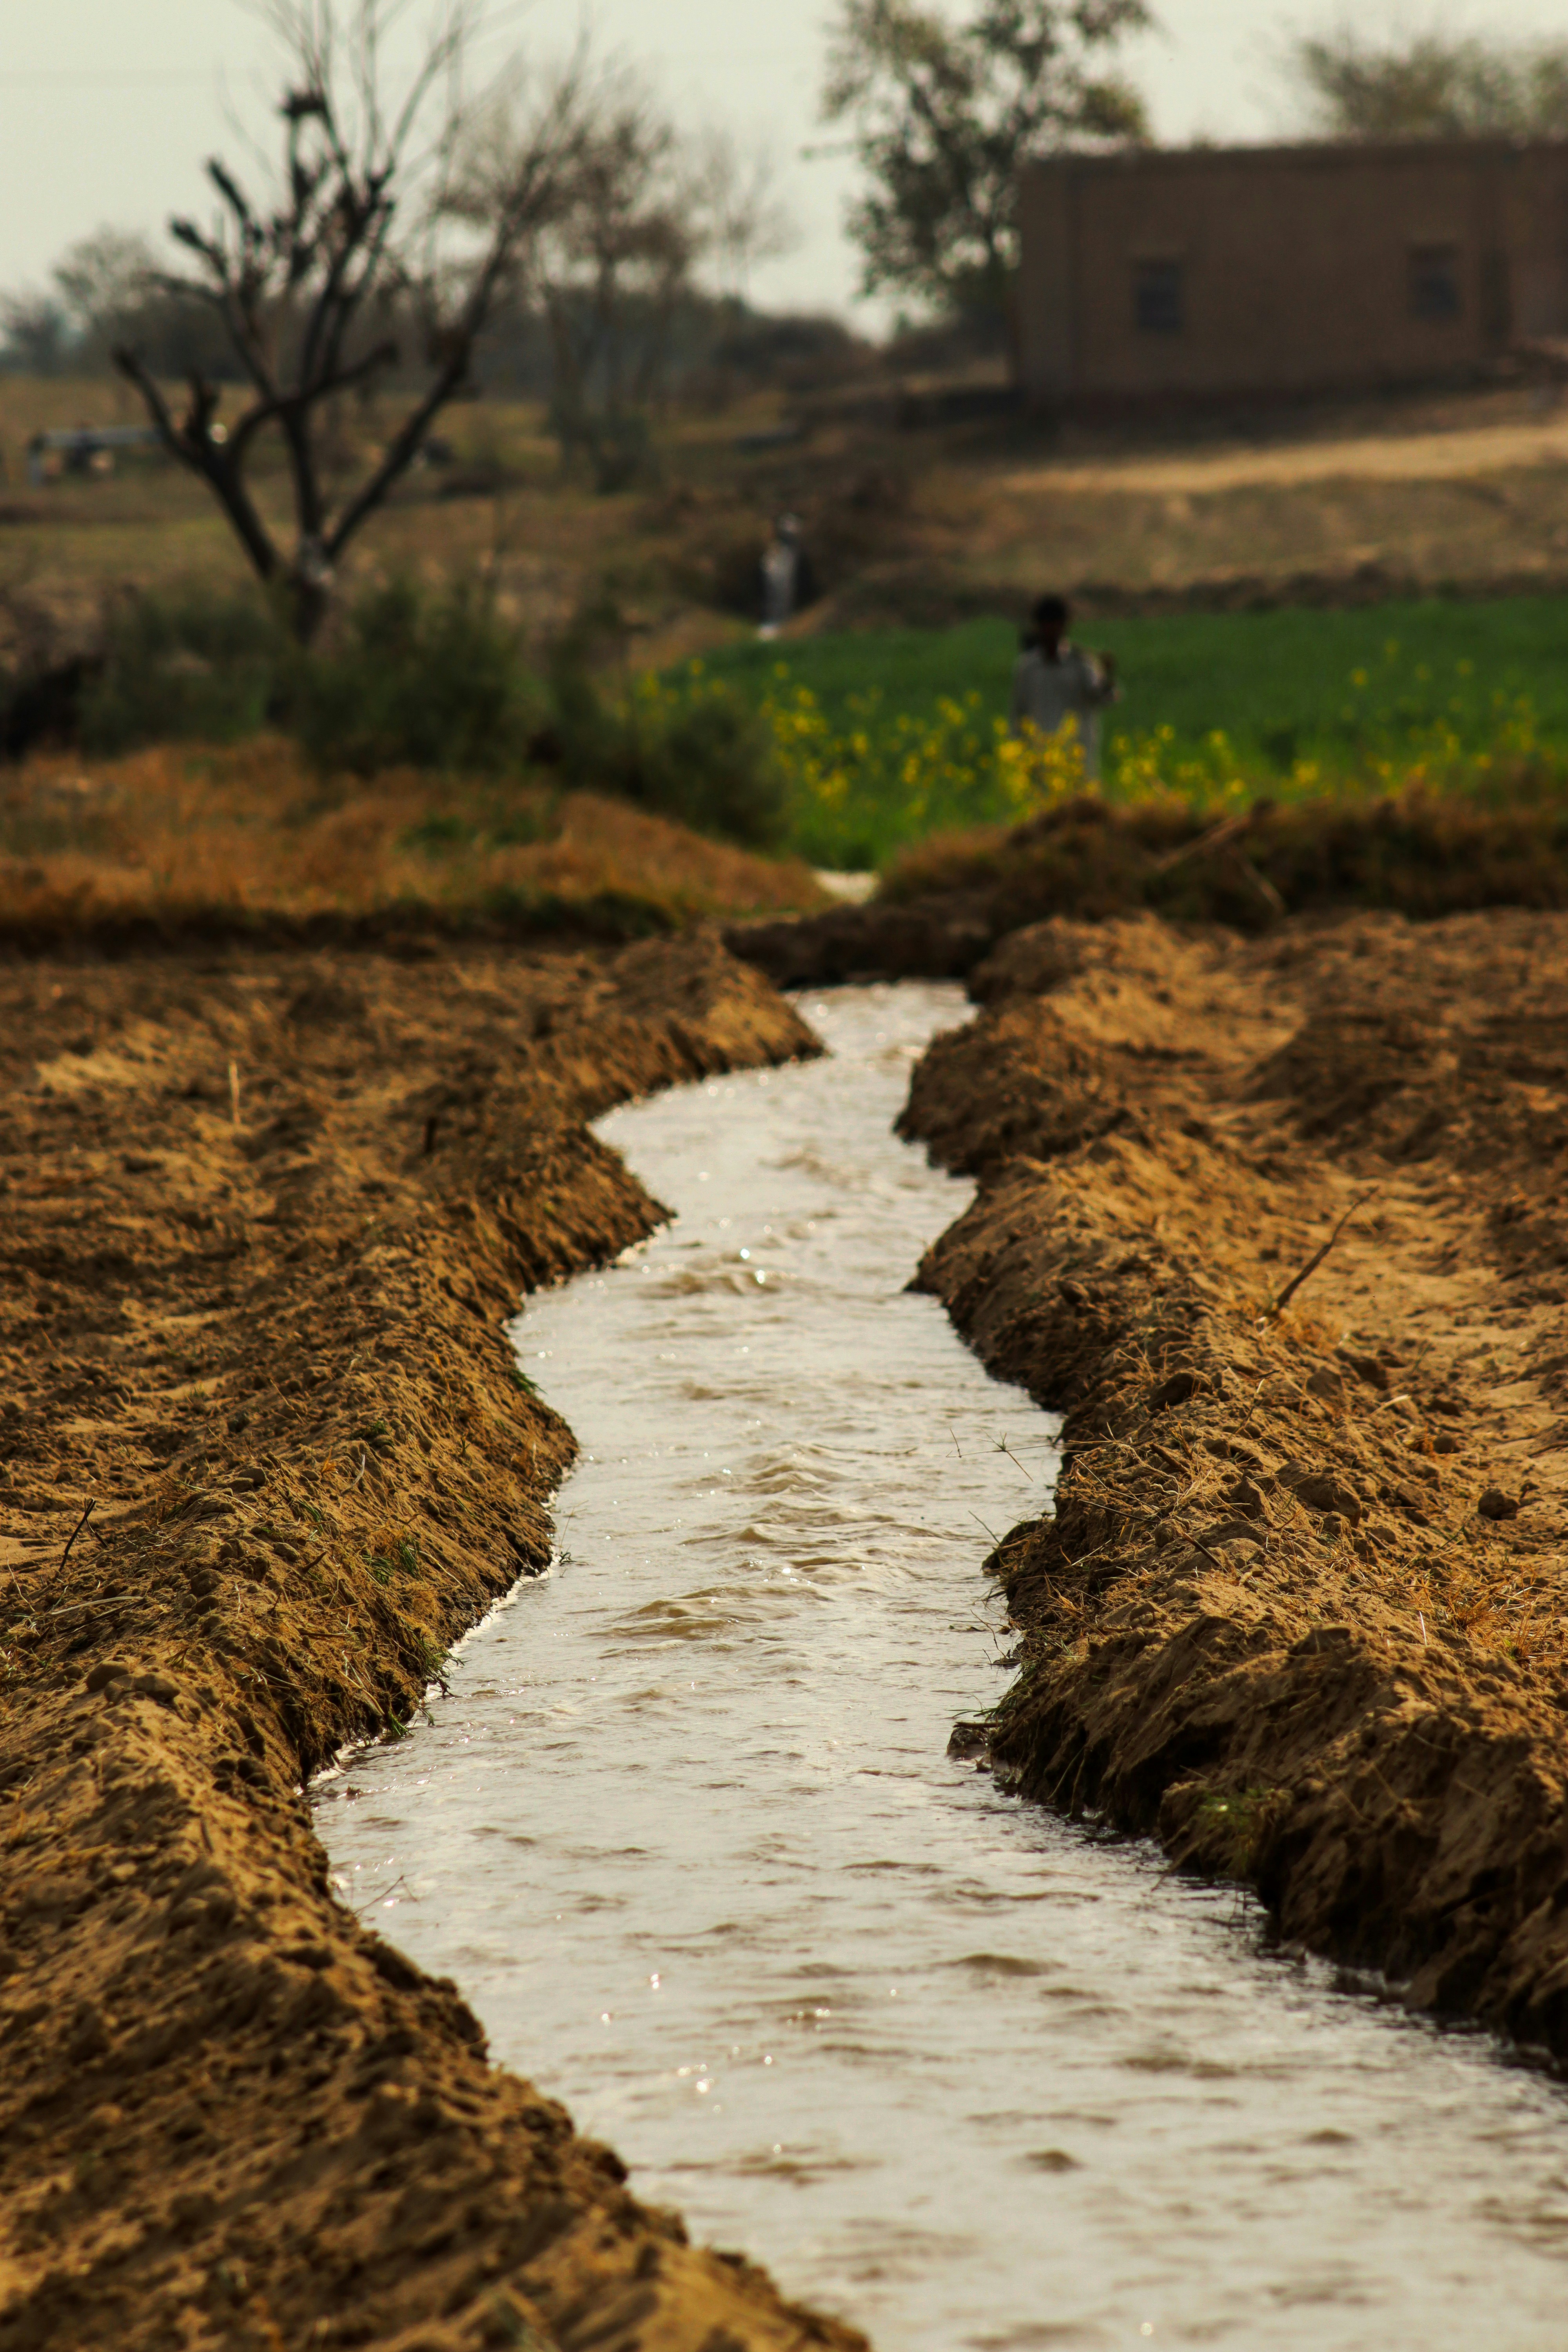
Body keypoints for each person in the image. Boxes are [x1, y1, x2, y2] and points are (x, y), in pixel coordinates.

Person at [1009, 593, 1118, 778]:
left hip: (1077, 761)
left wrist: (1106, 678)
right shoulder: (1027, 668)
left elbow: (1105, 698)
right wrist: (1015, 752)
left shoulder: (1082, 664)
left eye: (1055, 623)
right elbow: (1018, 712)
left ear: (1065, 626)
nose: (1051, 629)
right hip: (1039, 762)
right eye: (1046, 624)